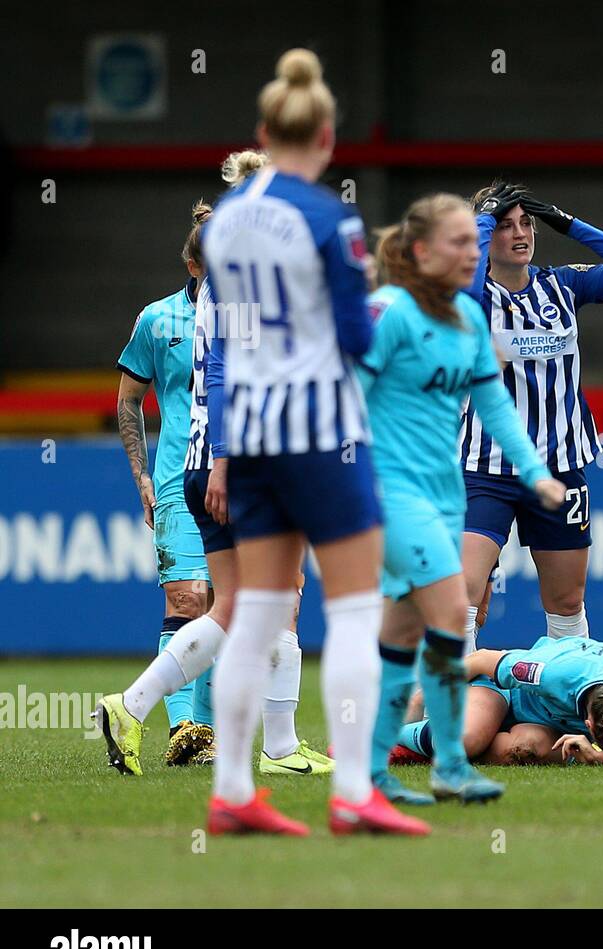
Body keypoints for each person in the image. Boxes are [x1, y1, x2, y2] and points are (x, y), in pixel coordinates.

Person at [202, 49, 427, 835]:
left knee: (258, 615)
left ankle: (232, 790)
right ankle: (354, 791)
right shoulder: (330, 218)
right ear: (327, 137)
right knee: (357, 610)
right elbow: (357, 334)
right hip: (323, 433)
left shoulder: (225, 219)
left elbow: (228, 337)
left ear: (266, 130)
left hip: (254, 433)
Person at [97, 154, 331, 778]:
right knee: (280, 598)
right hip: (241, 458)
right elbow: (227, 373)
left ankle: (129, 705)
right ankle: (278, 749)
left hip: (214, 457)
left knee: (229, 605)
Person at [360, 193, 566, 805]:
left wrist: (534, 471)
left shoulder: (469, 320)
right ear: (421, 252)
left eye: (472, 243)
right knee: (454, 611)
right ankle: (450, 761)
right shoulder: (388, 313)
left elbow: (495, 406)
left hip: (445, 494)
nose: (471, 253)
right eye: (460, 241)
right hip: (392, 494)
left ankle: (369, 771)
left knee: (400, 634)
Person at [459, 182, 603, 653]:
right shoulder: (470, 295)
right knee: (461, 597)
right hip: (486, 468)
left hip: (560, 467)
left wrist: (564, 220)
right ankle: (448, 712)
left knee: (567, 601)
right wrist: (482, 220)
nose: (520, 234)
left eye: (526, 223)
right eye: (505, 227)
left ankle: (569, 703)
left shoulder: (562, 284)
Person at [112, 206, 213, 767]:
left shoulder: (253, 320)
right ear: (195, 264)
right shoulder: (159, 320)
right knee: (188, 598)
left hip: (240, 480)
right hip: (178, 481)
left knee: (226, 608)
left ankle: (207, 729)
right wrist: (142, 474)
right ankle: (184, 729)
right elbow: (129, 399)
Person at [396, 636, 603, 767]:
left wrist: (596, 757)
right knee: (467, 740)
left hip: (540, 725)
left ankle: (429, 744)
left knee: (526, 748)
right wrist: (422, 697)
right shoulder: (554, 675)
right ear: (588, 725)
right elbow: (482, 659)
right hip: (501, 693)